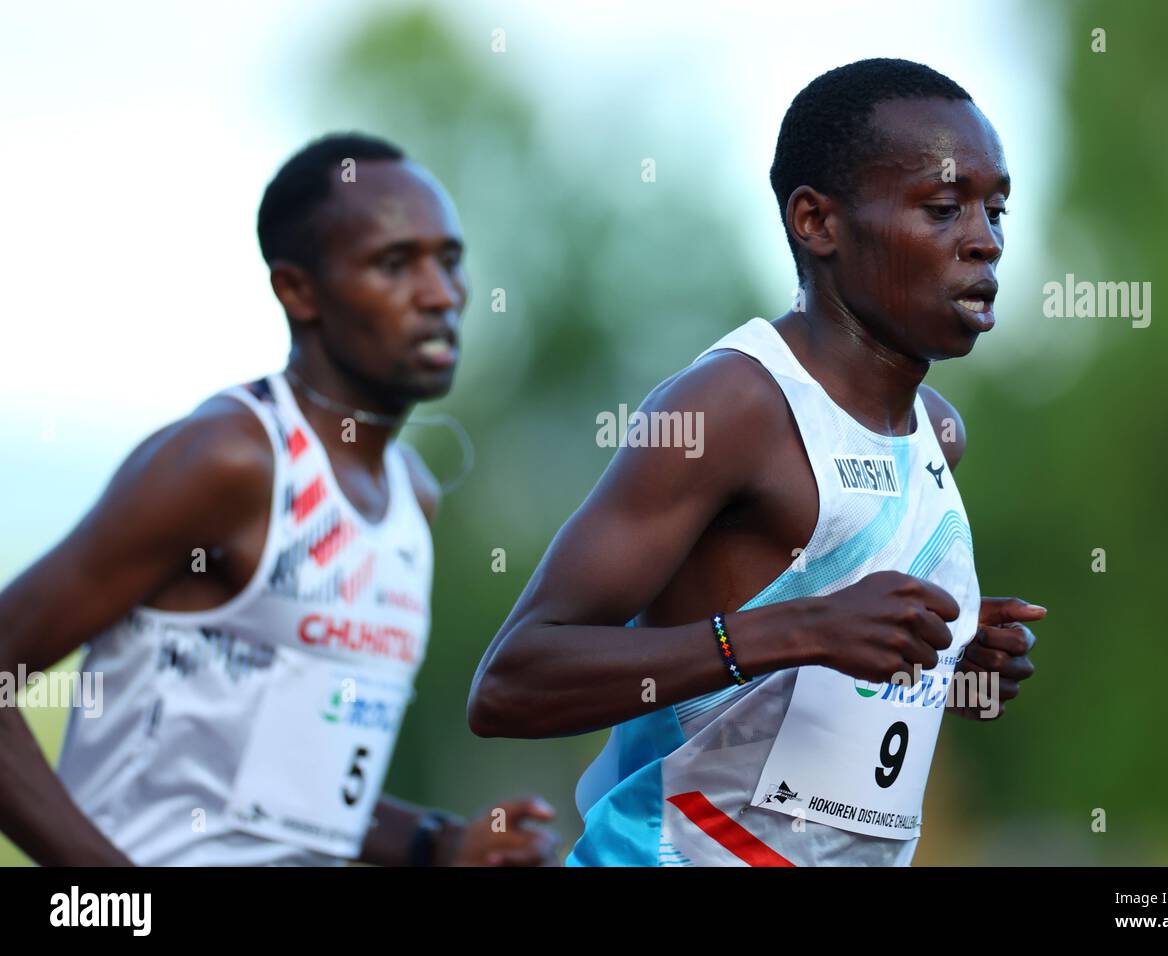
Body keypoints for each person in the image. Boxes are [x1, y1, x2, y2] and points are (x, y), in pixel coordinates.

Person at [468, 60, 1044, 866]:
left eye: (996, 208)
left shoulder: (937, 432)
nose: (984, 241)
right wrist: (801, 630)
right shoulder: (731, 409)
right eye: (944, 209)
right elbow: (512, 683)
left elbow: (813, 700)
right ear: (817, 222)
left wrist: (946, 665)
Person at [0, 132, 555, 866]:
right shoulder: (228, 462)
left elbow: (292, 797)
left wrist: (440, 842)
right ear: (297, 290)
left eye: (449, 261)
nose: (440, 294)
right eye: (395, 264)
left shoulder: (410, 500)